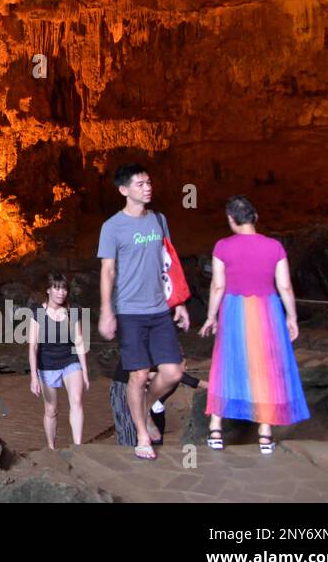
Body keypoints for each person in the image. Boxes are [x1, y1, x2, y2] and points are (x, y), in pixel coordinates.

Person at [199, 196, 309, 454]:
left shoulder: (222, 247)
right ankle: (265, 434)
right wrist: (292, 317)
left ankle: (215, 429)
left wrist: (211, 317)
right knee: (266, 366)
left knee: (227, 363)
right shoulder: (274, 247)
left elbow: (217, 286)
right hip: (268, 310)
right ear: (255, 217)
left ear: (230, 220)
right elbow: (284, 286)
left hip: (234, 310)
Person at [97, 163, 190, 460]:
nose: (147, 187)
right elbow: (108, 271)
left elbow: (169, 263)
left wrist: (180, 303)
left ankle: (146, 406)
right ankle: (141, 435)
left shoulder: (159, 220)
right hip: (130, 312)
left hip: (159, 309)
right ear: (124, 190)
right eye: (140, 184)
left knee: (173, 373)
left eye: (148, 182)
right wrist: (106, 311)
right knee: (137, 375)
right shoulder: (112, 227)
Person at [29, 274, 90, 449]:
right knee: (51, 410)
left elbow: (78, 341)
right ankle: (51, 448)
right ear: (48, 290)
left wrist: (84, 372)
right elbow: (33, 347)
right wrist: (34, 376)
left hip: (70, 361)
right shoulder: (38, 313)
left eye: (64, 288)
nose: (61, 292)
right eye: (56, 287)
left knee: (77, 400)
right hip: (46, 364)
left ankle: (78, 447)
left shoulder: (73, 312)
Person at [109, 361, 201, 446]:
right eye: (184, 365)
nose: (186, 368)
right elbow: (139, 376)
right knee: (129, 436)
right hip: (129, 388)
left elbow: (188, 379)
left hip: (152, 404)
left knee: (156, 440)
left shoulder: (168, 369)